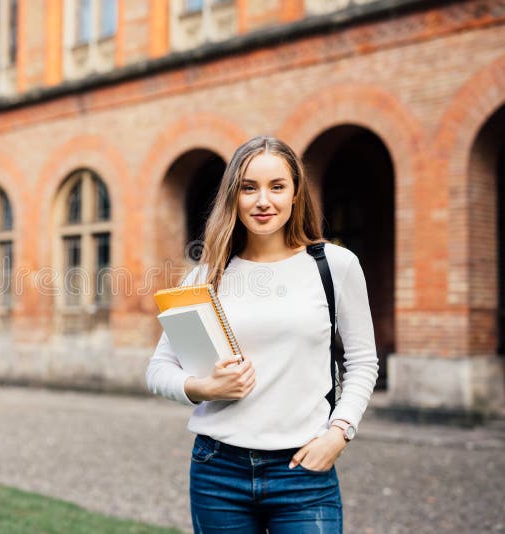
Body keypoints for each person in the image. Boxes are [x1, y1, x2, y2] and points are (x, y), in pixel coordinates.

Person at [145, 135, 379, 533]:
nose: (262, 201)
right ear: (233, 196)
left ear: (295, 193)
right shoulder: (205, 276)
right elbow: (158, 369)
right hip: (218, 470)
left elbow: (362, 362)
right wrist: (205, 388)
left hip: (304, 472)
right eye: (249, 188)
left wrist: (340, 433)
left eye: (277, 186)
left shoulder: (334, 266)